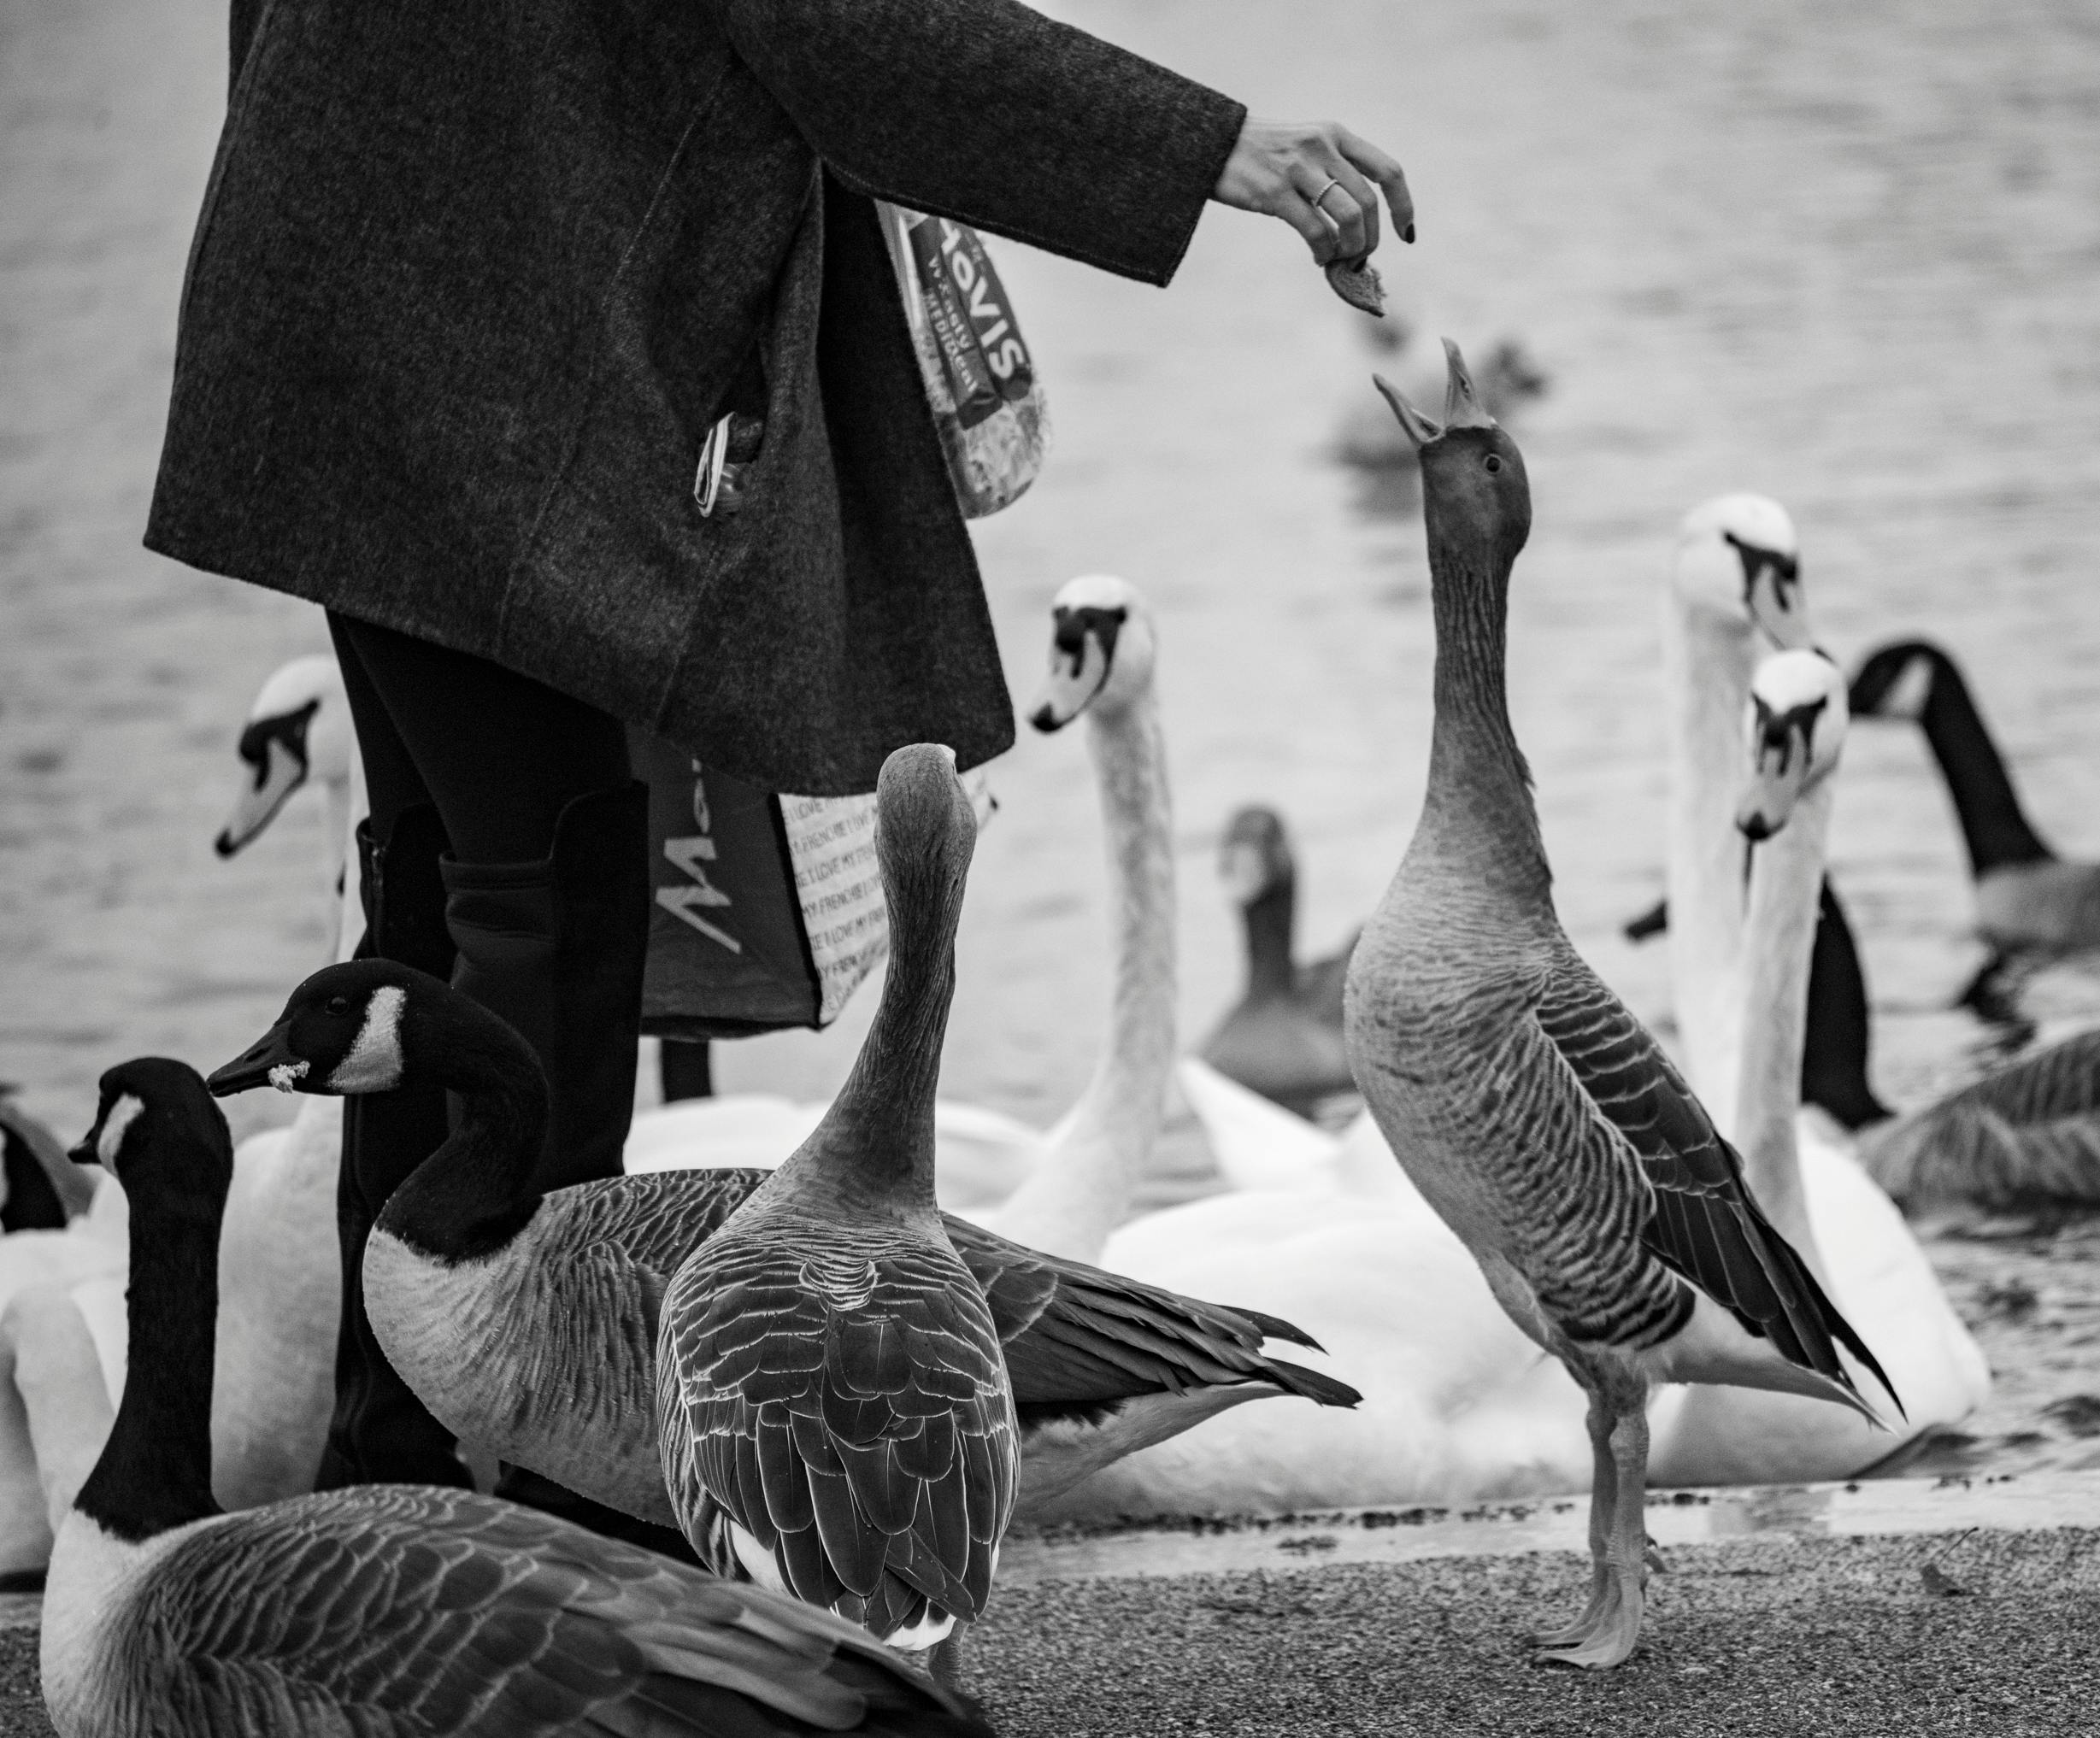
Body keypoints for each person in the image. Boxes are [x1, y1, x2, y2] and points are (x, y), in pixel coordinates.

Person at [150, 0, 1414, 1529]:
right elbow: (845, 26)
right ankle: (528, 1493)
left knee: (435, 902)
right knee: (545, 903)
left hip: (339, 303)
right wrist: (1214, 148)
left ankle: (397, 1472)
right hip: (475, 357)